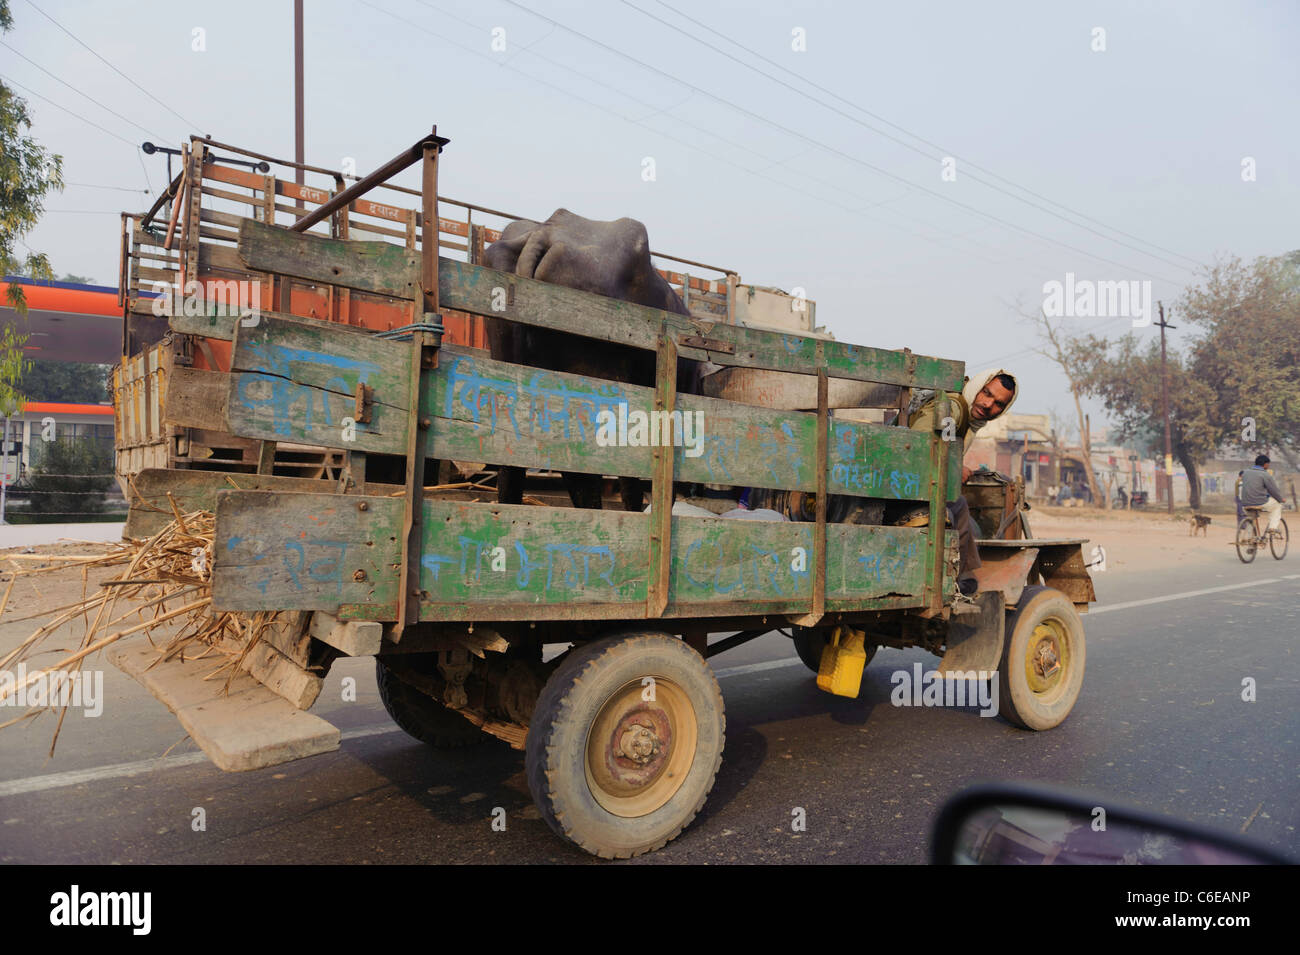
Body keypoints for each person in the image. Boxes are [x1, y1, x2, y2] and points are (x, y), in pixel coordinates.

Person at [907, 368, 1018, 595]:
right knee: (958, 505)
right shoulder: (955, 409)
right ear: (977, 386)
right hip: (906, 484)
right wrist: (954, 468)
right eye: (986, 393)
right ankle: (959, 577)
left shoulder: (964, 417)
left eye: (998, 403)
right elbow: (917, 448)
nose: (988, 404)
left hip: (914, 484)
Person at [1240, 454, 1285, 536]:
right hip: (1259, 502)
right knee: (1277, 505)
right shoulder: (1265, 474)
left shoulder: (1245, 473)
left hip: (1245, 503)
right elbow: (1273, 490)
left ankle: (1250, 542)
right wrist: (1280, 499)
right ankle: (1273, 528)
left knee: (1251, 519)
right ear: (1265, 464)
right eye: (1268, 464)